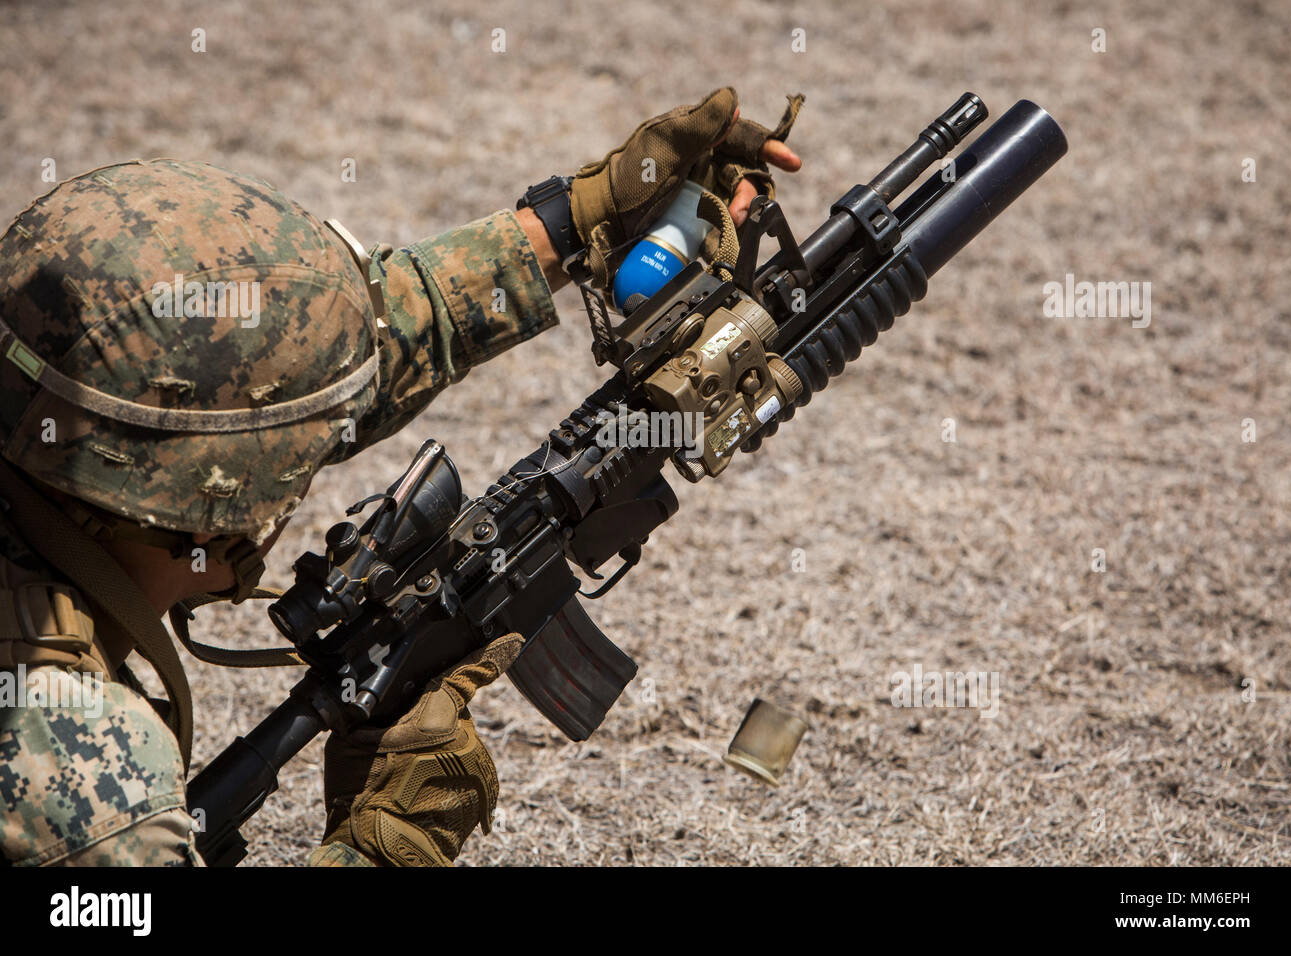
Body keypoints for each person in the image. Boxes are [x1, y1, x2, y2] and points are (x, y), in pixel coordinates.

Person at [0, 87, 802, 866]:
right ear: (218, 493)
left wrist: (589, 212)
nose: (318, 449)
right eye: (301, 440)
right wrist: (386, 847)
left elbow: (382, 332)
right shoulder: (86, 791)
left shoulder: (46, 424)